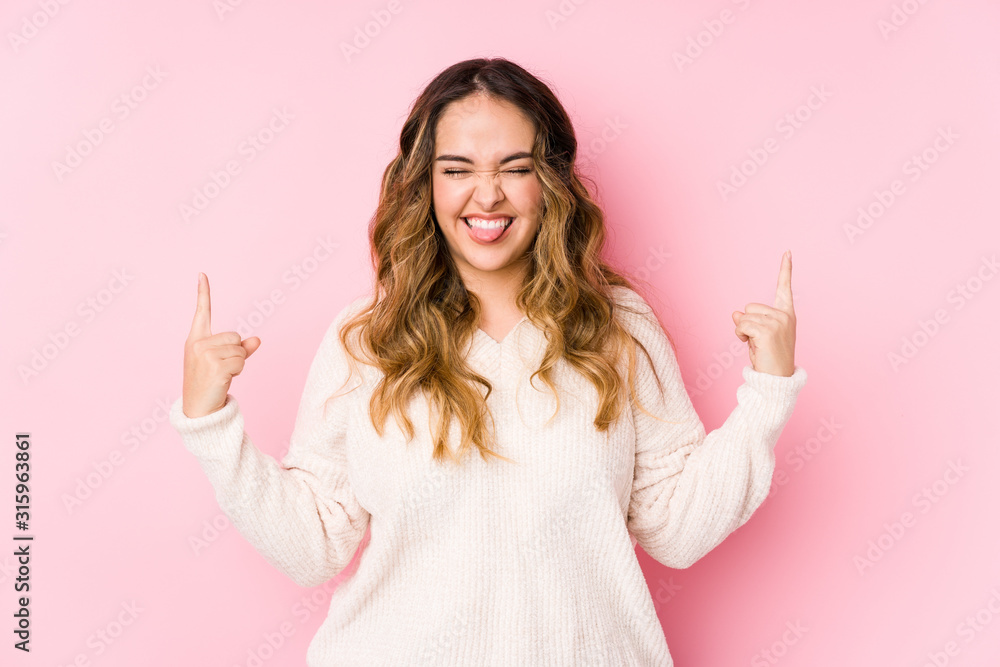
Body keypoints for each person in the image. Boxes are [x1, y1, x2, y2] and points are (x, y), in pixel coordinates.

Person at [170, 57, 807, 666]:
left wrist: (767, 393)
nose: (487, 195)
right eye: (457, 169)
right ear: (425, 184)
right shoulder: (367, 339)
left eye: (515, 167)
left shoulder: (619, 328)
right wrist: (211, 422)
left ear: (551, 181)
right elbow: (312, 543)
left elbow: (677, 527)